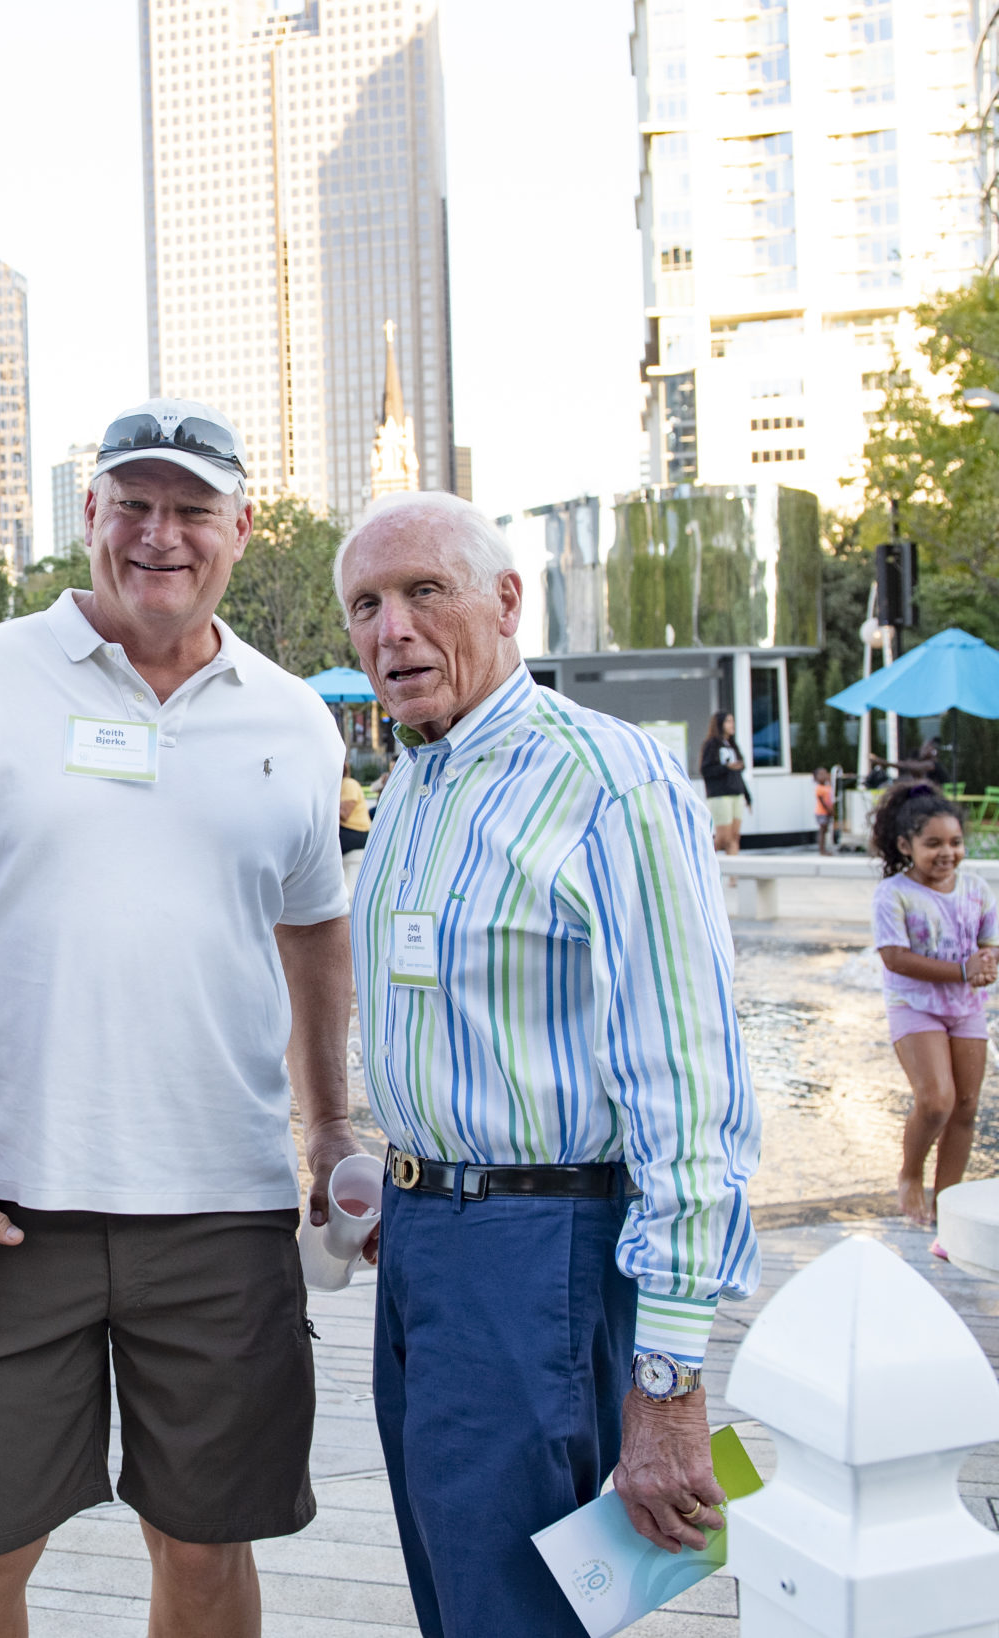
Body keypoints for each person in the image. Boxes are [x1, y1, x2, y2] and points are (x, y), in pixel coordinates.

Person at [0, 398, 352, 1638]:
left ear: (238, 530)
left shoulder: (292, 715)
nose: (158, 535)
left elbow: (315, 928)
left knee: (206, 1550)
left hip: (222, 1213)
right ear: (89, 517)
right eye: (133, 504)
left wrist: (327, 1126)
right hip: (5, 1214)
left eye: (189, 510)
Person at [336, 491, 760, 1637]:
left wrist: (668, 1383)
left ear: (506, 600)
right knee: (460, 1591)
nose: (391, 631)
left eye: (425, 591)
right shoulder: (414, 780)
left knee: (511, 1614)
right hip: (427, 1246)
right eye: (365, 605)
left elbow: (690, 1088)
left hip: (540, 1254)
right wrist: (404, 1168)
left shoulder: (603, 779)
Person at [869, 782, 997, 1230]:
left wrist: (986, 964)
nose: (948, 853)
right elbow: (894, 957)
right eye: (934, 844)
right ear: (906, 845)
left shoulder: (977, 889)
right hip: (915, 1006)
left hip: (966, 1008)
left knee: (965, 1104)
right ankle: (910, 1172)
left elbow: (988, 944)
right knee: (937, 1101)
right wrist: (965, 969)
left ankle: (948, 1209)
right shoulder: (894, 894)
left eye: (956, 842)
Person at [698, 711, 751, 853]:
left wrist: (747, 796)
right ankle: (703, 863)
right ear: (719, 724)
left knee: (734, 837)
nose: (732, 725)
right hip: (720, 795)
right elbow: (705, 770)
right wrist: (726, 768)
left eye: (732, 721)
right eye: (728, 721)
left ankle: (734, 875)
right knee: (723, 838)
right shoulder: (711, 744)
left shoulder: (733, 745)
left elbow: (739, 773)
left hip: (737, 793)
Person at [814, 766, 836, 856]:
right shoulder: (819, 788)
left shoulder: (828, 787)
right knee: (822, 830)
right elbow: (823, 802)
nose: (824, 776)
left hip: (827, 812)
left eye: (825, 774)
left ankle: (825, 849)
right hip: (822, 812)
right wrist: (830, 811)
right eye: (821, 774)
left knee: (825, 830)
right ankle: (822, 850)